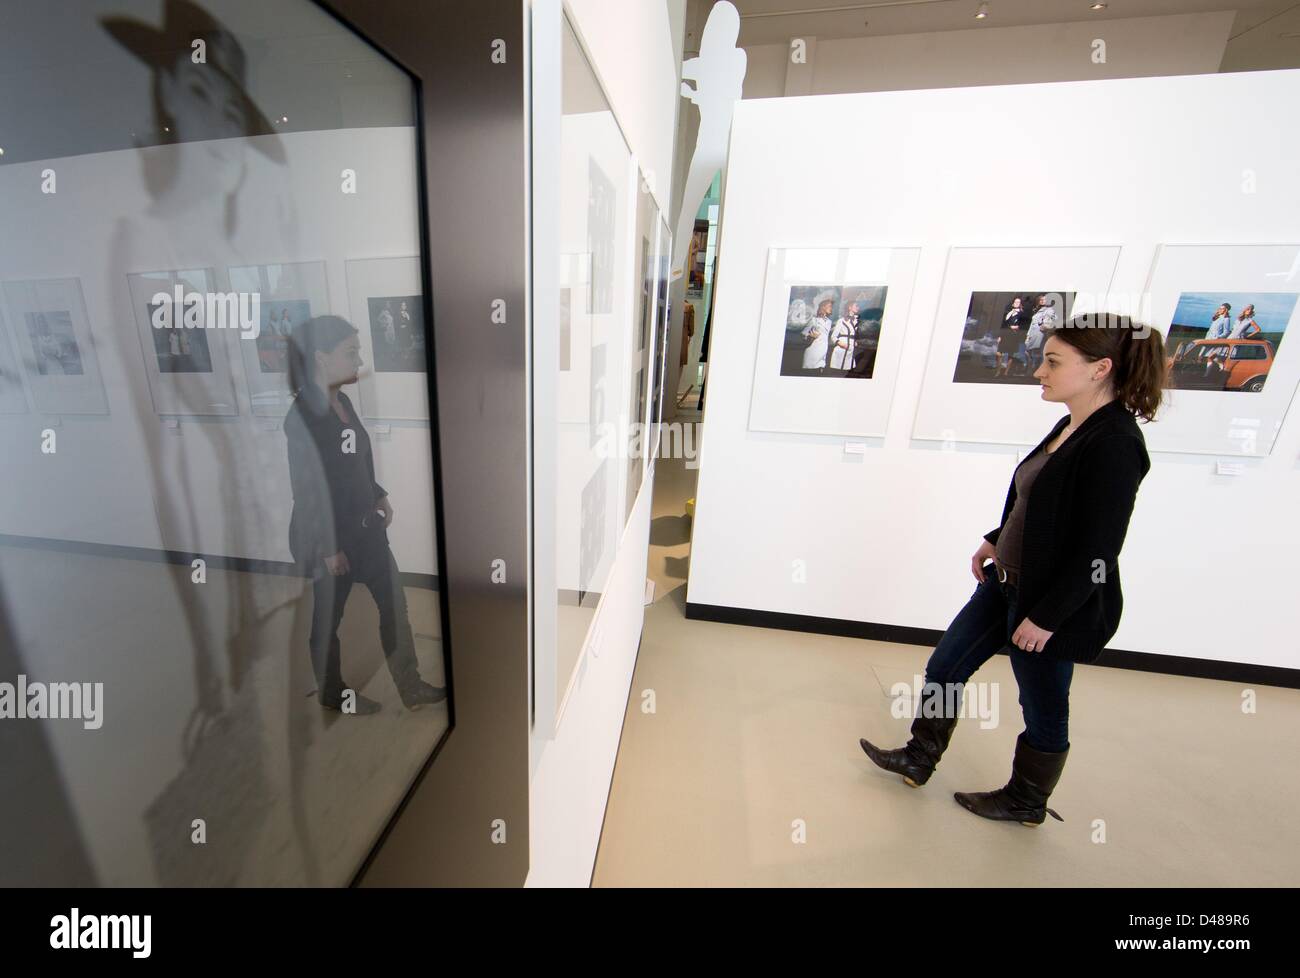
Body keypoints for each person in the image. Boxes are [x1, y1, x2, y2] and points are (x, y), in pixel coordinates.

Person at [860, 313, 1166, 826]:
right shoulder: (1071, 424)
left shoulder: (1114, 443)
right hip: (1005, 584)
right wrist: (995, 540)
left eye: (1052, 362)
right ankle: (919, 756)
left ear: (1100, 368)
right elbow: (1037, 505)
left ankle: (1026, 800)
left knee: (1043, 704)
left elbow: (1098, 550)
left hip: (1050, 603)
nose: (1038, 372)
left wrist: (1047, 618)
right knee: (946, 667)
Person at [285, 315, 445, 713]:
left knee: (395, 605)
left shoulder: (342, 401)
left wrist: (378, 494)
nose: (359, 360)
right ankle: (330, 691)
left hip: (366, 528)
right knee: (328, 619)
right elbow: (308, 491)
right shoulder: (302, 416)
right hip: (332, 539)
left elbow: (356, 459)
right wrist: (328, 548)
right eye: (351, 352)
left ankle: (411, 688)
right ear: (321, 358)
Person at [801, 296, 834, 375]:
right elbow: (803, 334)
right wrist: (811, 336)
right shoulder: (814, 320)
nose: (831, 308)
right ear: (823, 307)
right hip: (813, 352)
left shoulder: (829, 322)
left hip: (823, 353)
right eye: (829, 306)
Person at [828, 300, 859, 373]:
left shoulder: (857, 321)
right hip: (841, 348)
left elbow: (854, 334)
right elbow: (833, 337)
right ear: (850, 307)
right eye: (856, 306)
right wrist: (840, 343)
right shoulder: (841, 321)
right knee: (837, 372)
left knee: (848, 372)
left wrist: (855, 342)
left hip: (851, 350)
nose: (858, 308)